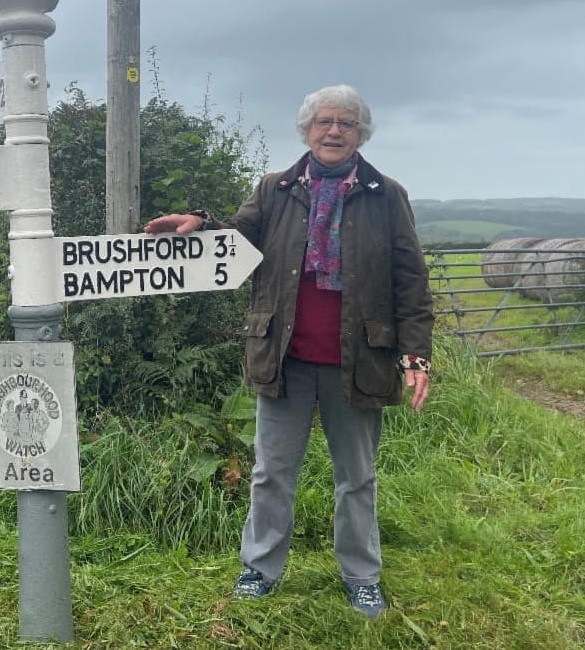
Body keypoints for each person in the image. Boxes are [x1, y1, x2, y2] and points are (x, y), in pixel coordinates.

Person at [144, 85, 433, 619]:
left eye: (346, 123)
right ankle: (259, 568)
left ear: (360, 133)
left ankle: (362, 576)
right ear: (306, 130)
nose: (334, 131)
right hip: (284, 355)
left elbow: (410, 280)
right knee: (272, 472)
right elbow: (239, 236)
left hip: (361, 359)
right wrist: (200, 225)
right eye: (324, 121)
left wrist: (416, 356)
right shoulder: (275, 189)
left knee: (357, 477)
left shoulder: (385, 193)